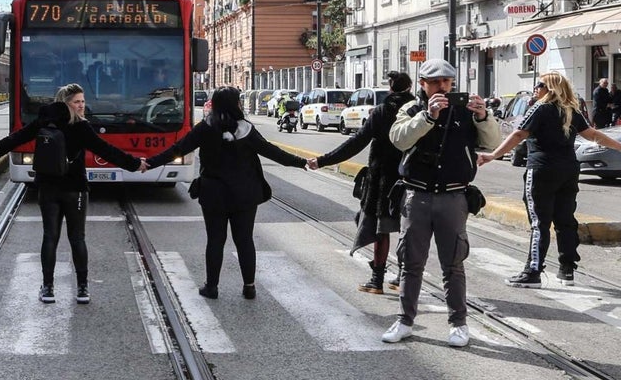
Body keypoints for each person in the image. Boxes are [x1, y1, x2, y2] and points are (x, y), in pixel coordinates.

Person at [0, 83, 142, 304]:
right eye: (77, 102)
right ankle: (82, 289)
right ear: (66, 103)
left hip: (48, 188)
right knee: (77, 238)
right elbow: (106, 150)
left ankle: (48, 288)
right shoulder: (81, 127)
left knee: (50, 237)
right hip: (75, 189)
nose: (82, 106)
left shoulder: (44, 122)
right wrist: (135, 164)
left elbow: (17, 138)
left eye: (83, 101)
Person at [145, 86, 307, 300]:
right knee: (245, 240)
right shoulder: (247, 130)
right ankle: (249, 287)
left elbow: (178, 149)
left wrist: (148, 163)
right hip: (244, 195)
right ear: (235, 104)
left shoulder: (205, 127)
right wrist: (303, 163)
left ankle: (211, 287)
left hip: (213, 194)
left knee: (215, 240)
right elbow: (273, 153)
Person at [382, 59, 499, 348]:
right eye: (435, 82)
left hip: (454, 197)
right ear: (423, 84)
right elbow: (398, 139)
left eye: (447, 81)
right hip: (417, 196)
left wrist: (484, 116)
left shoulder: (466, 111)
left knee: (454, 264)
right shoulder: (412, 110)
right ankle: (405, 320)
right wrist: (429, 116)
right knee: (411, 263)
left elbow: (492, 143)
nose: (442, 87)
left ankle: (458, 323)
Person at [477, 73, 621, 288]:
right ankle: (566, 270)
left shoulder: (539, 108)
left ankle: (533, 271)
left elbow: (518, 135)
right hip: (568, 170)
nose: (535, 89)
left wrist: (493, 155)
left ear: (549, 89)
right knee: (565, 220)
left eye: (539, 85)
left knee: (539, 222)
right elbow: (592, 134)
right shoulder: (571, 110)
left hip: (542, 170)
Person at [308, 72, 414, 294]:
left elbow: (356, 143)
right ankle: (404, 277)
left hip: (383, 180)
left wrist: (323, 160)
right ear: (411, 86)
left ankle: (377, 280)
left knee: (380, 229)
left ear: (390, 88)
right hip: (411, 179)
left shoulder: (382, 111)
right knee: (409, 231)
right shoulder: (417, 110)